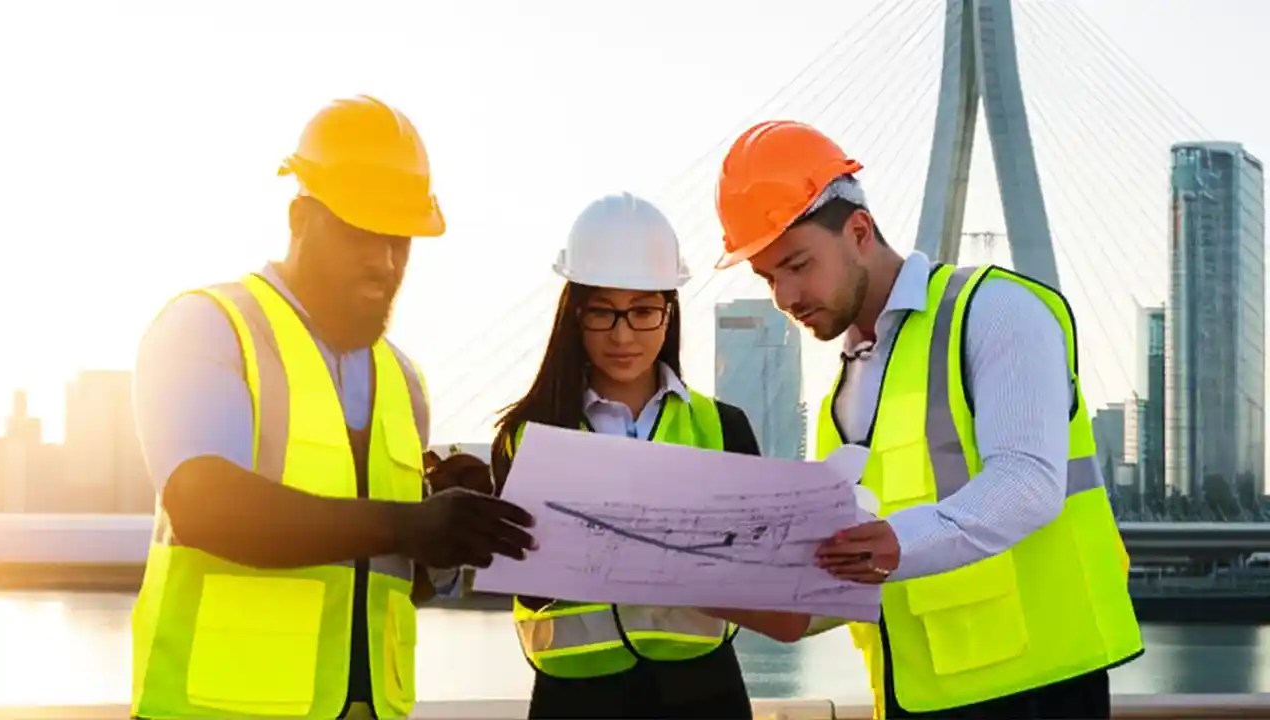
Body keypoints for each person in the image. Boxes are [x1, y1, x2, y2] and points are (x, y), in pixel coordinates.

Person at [710, 120, 1143, 719]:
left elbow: (1028, 483)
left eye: (798, 265)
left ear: (858, 231)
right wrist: (708, 582)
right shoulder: (847, 390)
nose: (784, 296)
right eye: (768, 278)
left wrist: (893, 543)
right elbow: (860, 568)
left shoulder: (993, 310)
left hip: (1036, 693)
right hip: (916, 698)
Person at [129, 94, 535, 720]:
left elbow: (381, 576)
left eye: (399, 237)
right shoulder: (211, 328)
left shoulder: (403, 381)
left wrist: (447, 537)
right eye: (361, 231)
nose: (386, 260)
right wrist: (406, 523)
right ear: (300, 218)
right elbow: (203, 505)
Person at [489, 192, 811, 720]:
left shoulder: (724, 427)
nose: (622, 335)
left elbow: (765, 577)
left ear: (669, 312)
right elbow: (522, 577)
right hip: (575, 700)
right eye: (603, 313)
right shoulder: (523, 437)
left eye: (642, 312)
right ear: (575, 316)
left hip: (704, 695)